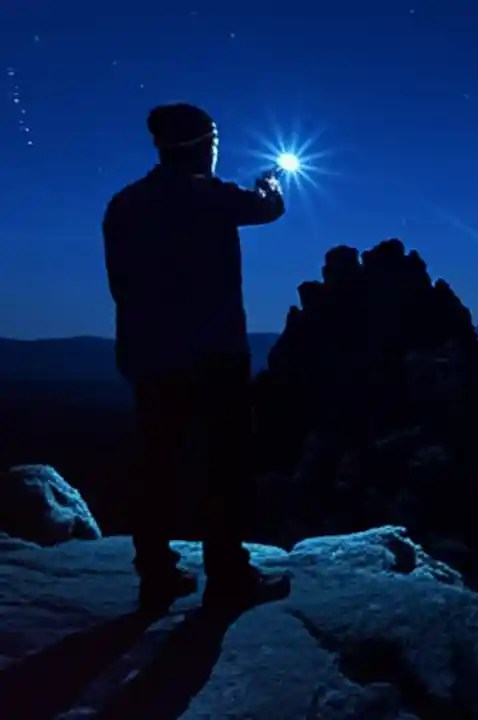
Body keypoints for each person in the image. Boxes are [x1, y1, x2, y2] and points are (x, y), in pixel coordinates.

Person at [102, 103, 290, 609]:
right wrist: (271, 183)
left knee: (155, 464)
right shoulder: (211, 197)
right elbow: (268, 208)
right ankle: (228, 577)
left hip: (151, 356)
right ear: (204, 146)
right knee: (225, 466)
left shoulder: (125, 205)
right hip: (215, 358)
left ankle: (156, 575)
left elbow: (120, 285)